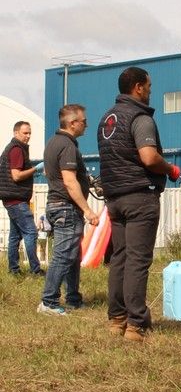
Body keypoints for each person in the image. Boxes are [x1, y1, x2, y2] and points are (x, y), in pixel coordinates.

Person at [98, 66, 181, 342]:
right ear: (137, 87)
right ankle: (136, 325)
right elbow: (148, 157)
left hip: (114, 198)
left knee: (119, 257)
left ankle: (116, 319)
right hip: (139, 197)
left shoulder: (106, 120)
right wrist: (169, 169)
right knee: (137, 260)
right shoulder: (140, 117)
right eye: (149, 86)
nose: (150, 91)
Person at [38, 104, 99, 315]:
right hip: (66, 208)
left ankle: (73, 298)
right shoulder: (67, 146)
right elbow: (70, 181)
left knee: (72, 255)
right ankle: (48, 302)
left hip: (57, 206)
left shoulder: (53, 142)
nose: (87, 125)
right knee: (63, 256)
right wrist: (88, 211)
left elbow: (51, 172)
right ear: (73, 123)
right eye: (84, 121)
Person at [0, 121, 45, 276]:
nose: (28, 136)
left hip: (11, 199)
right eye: (25, 133)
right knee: (31, 232)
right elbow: (16, 175)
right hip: (16, 200)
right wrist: (35, 169)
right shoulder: (17, 149)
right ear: (16, 133)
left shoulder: (13, 148)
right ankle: (35, 270)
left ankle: (13, 270)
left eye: (30, 133)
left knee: (15, 236)